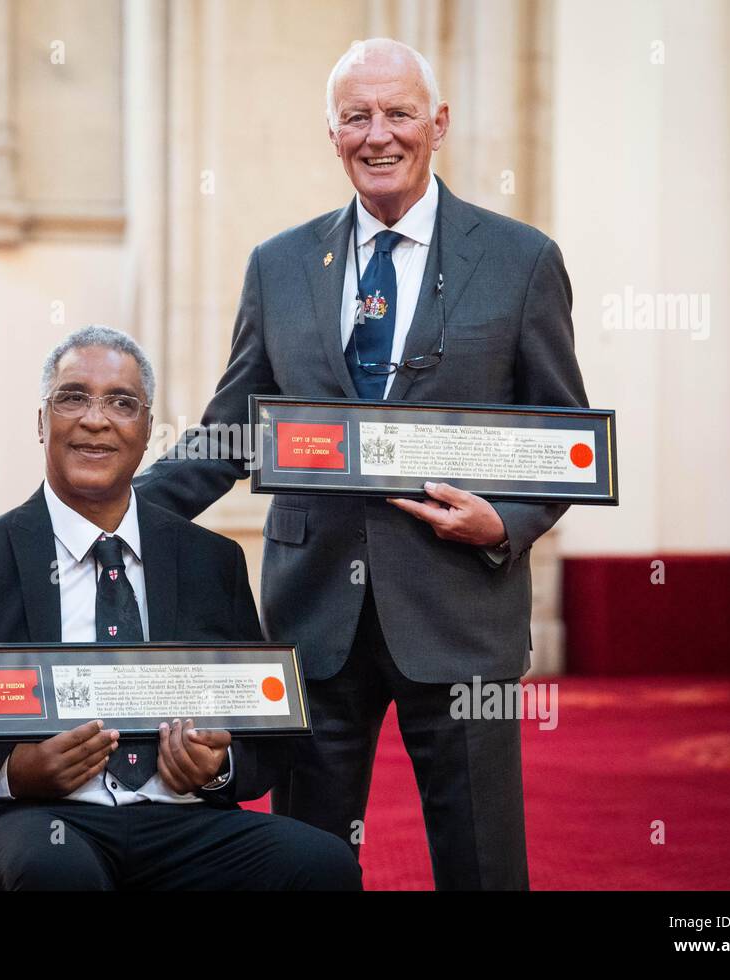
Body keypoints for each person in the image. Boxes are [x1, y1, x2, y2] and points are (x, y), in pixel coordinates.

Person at [133, 39, 589, 889]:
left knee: (482, 864)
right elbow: (231, 430)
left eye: (399, 112)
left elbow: (562, 434)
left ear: (439, 124)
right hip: (313, 625)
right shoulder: (281, 265)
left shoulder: (521, 261)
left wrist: (507, 522)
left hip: (460, 613)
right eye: (356, 116)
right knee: (305, 862)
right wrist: (115, 515)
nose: (379, 135)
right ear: (332, 132)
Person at [0, 325, 362, 891]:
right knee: (57, 871)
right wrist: (15, 772)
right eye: (73, 397)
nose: (95, 419)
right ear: (42, 422)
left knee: (323, 865)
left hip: (180, 818)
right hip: (31, 820)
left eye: (121, 403)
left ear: (147, 429)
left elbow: (266, 735)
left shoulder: (212, 562)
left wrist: (216, 769)